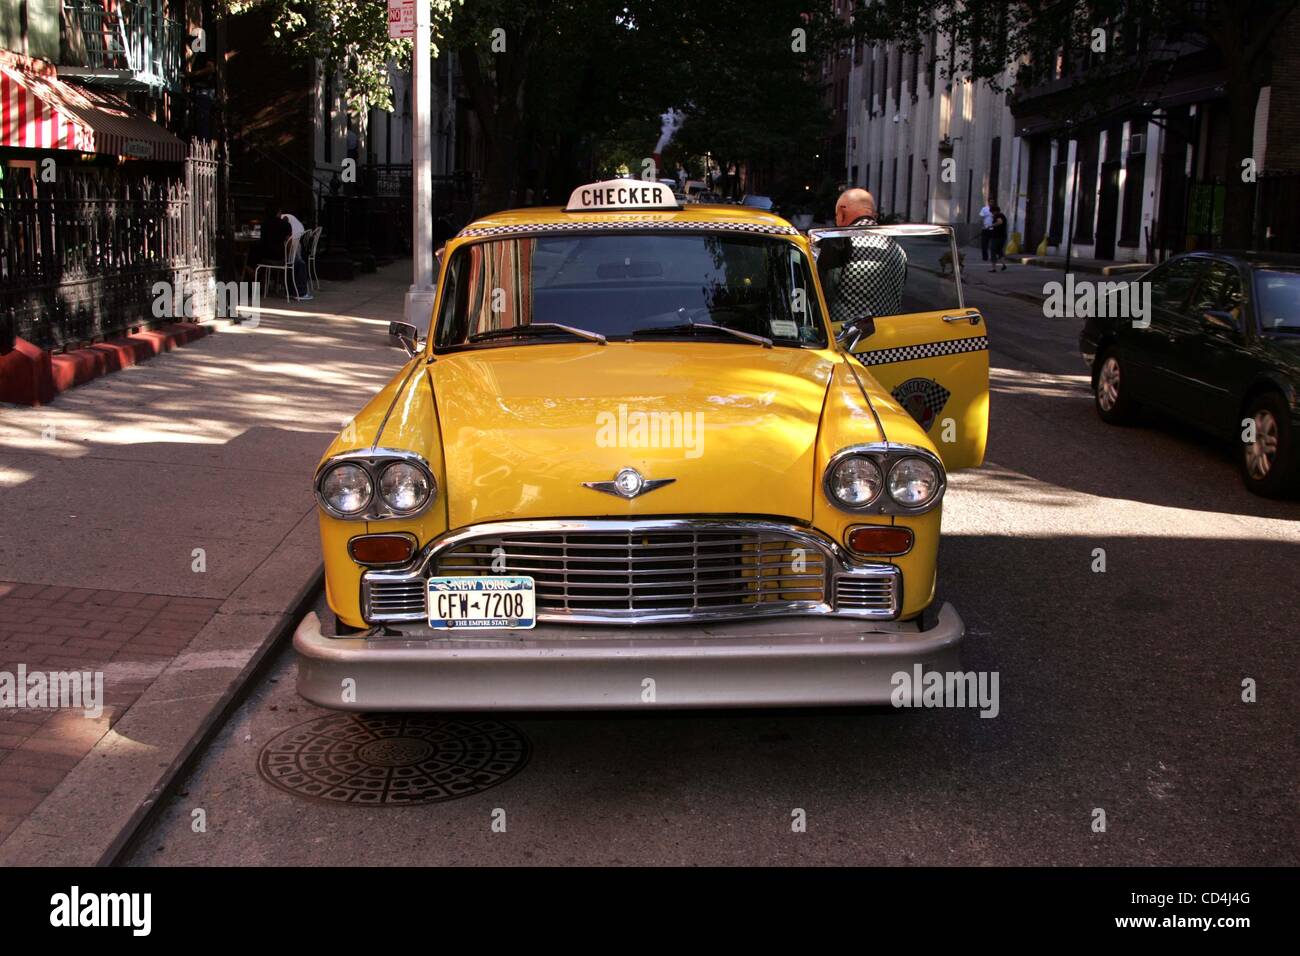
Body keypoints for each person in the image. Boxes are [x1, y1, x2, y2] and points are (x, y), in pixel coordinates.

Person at [817, 188, 908, 326]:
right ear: (874, 215)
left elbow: (822, 296)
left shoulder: (840, 242)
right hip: (888, 338)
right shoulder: (899, 250)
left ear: (841, 212)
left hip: (849, 340)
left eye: (836, 215)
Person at [280, 209, 312, 300]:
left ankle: (291, 290)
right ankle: (300, 292)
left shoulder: (288, 223)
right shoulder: (285, 222)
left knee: (295, 261)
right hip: (283, 252)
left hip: (291, 242)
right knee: (298, 263)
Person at [989, 204, 1008, 272]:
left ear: (995, 211)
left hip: (997, 237)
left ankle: (994, 268)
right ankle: (1003, 264)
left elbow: (1000, 222)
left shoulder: (998, 215)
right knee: (999, 251)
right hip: (1002, 237)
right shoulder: (1002, 215)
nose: (992, 214)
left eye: (992, 212)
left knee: (993, 251)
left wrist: (991, 225)